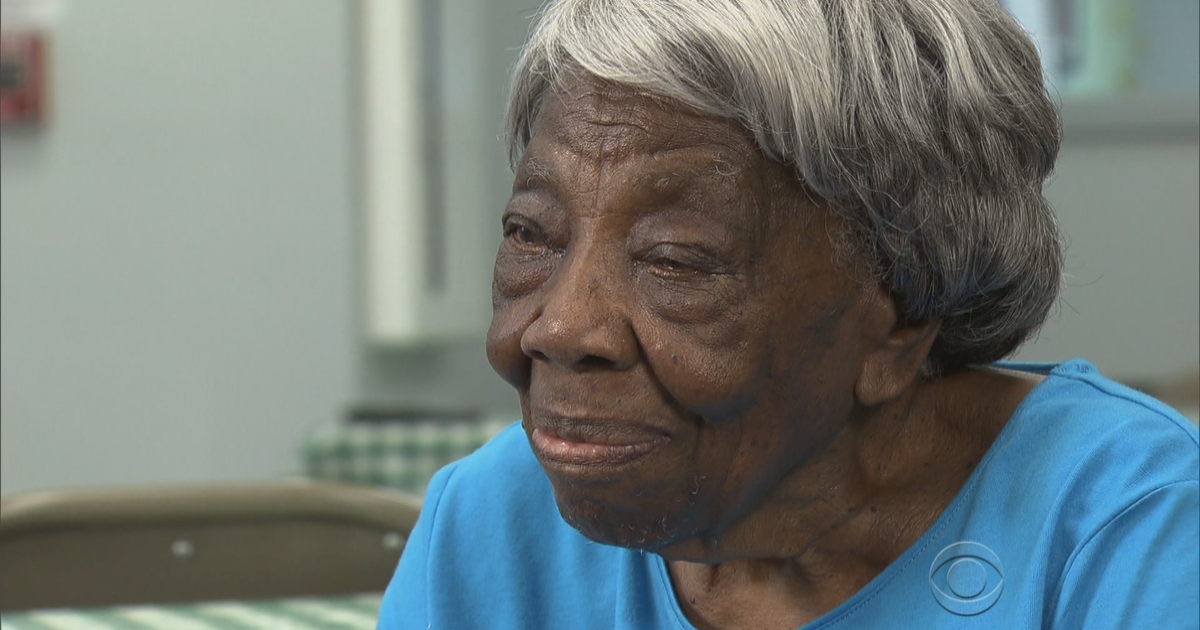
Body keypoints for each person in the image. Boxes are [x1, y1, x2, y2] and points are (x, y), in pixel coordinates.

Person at [376, 0, 1200, 628]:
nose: (558, 329)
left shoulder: (1126, 523)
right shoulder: (493, 523)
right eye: (531, 234)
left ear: (902, 312)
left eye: (674, 260)